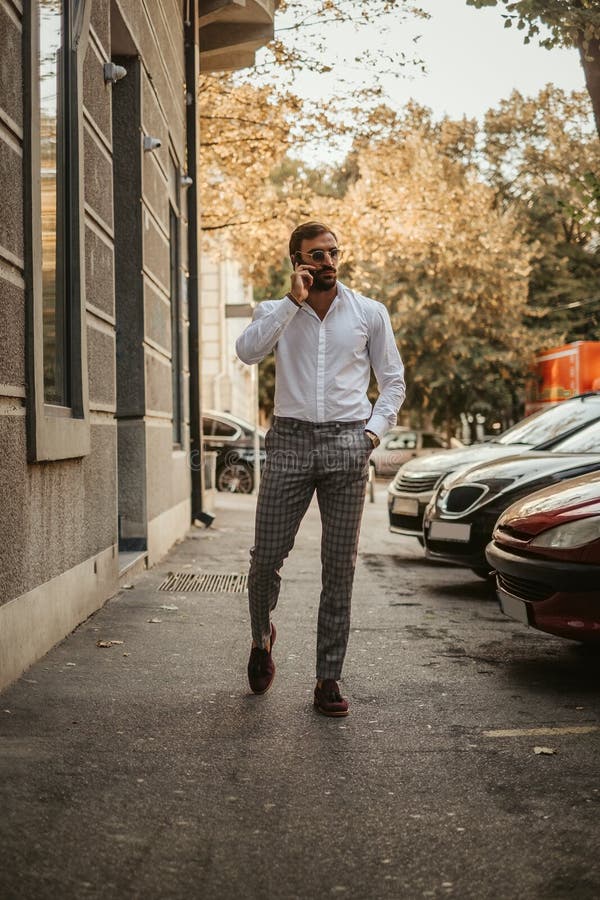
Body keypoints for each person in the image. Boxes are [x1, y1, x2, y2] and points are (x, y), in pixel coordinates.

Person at [235, 221, 405, 717]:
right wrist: (292, 302)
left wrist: (370, 435)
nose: (328, 262)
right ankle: (261, 637)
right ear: (297, 260)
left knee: (339, 568)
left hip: (347, 443)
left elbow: (392, 381)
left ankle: (328, 677)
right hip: (289, 441)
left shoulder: (369, 312)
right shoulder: (274, 311)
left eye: (333, 253)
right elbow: (247, 352)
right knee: (265, 558)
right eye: (316, 254)